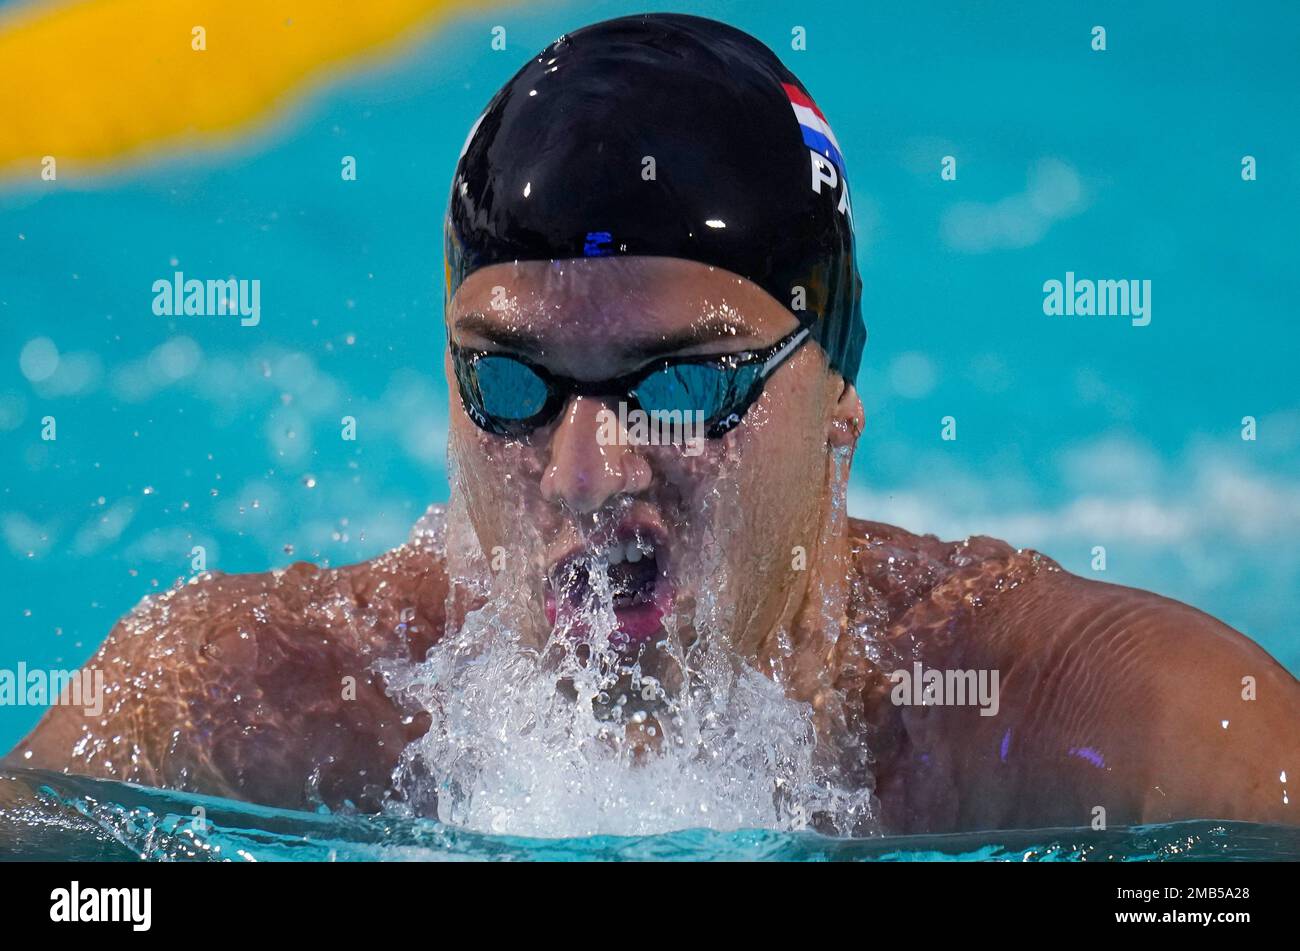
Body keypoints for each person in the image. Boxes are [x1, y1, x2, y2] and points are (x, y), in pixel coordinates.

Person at [7, 13, 1297, 834]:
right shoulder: (244, 705)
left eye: (678, 387)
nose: (584, 471)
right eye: (511, 384)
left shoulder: (1080, 722)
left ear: (837, 415)